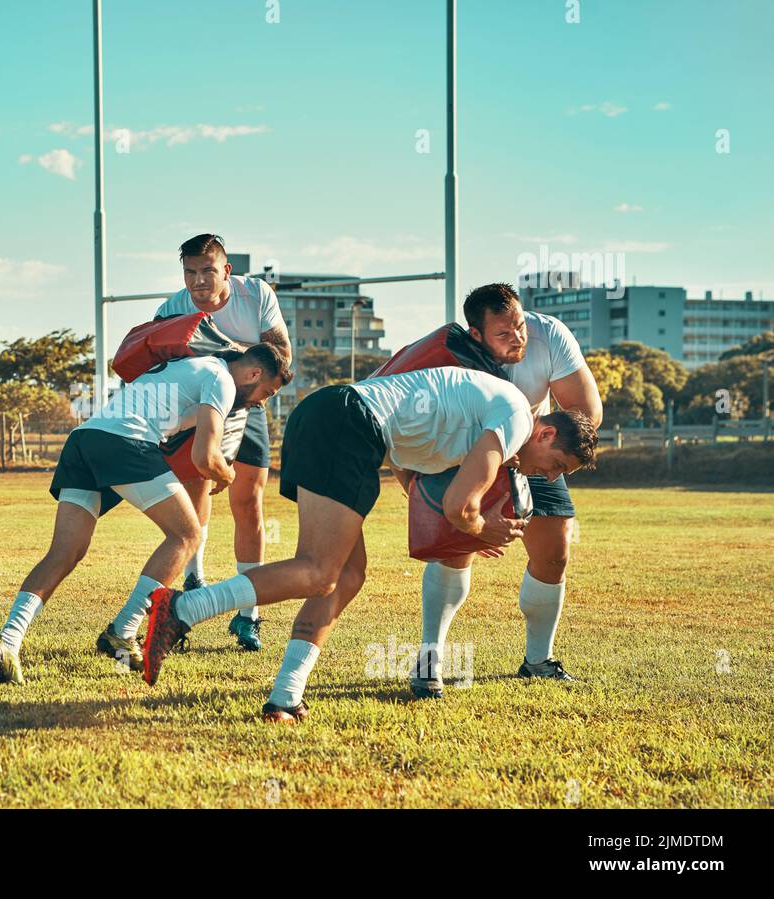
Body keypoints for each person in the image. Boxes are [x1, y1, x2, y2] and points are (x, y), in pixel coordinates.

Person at [141, 366, 598, 722]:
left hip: (331, 418)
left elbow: (412, 459)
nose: (551, 477)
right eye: (556, 464)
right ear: (546, 432)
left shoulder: (500, 414)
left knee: (344, 577)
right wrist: (483, 529)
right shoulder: (518, 417)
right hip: (348, 424)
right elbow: (461, 506)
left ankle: (284, 698)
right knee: (319, 570)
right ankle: (182, 609)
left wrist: (459, 513)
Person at [0, 344, 290, 685]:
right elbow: (206, 457)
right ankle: (123, 631)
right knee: (187, 535)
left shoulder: (196, 366)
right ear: (254, 373)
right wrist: (227, 474)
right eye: (267, 392)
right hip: (124, 443)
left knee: (64, 552)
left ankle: (8, 640)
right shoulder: (222, 379)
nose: (262, 401)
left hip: (85, 439)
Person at [409, 283, 603, 698]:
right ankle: (429, 662)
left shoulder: (548, 333)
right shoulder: (450, 351)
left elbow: (586, 412)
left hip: (533, 445)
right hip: (465, 450)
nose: (517, 338)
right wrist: (418, 485)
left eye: (520, 326)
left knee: (555, 552)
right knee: (454, 549)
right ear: (476, 335)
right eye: (503, 333)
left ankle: (538, 661)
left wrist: (534, 444)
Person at [129, 233, 292, 651]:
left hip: (248, 403)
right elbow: (149, 361)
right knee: (197, 491)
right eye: (189, 272)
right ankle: (193, 583)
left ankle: (247, 614)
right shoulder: (173, 307)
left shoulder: (255, 294)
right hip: (198, 407)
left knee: (247, 500)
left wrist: (229, 356)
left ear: (226, 271)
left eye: (207, 271)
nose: (198, 281)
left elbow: (281, 355)